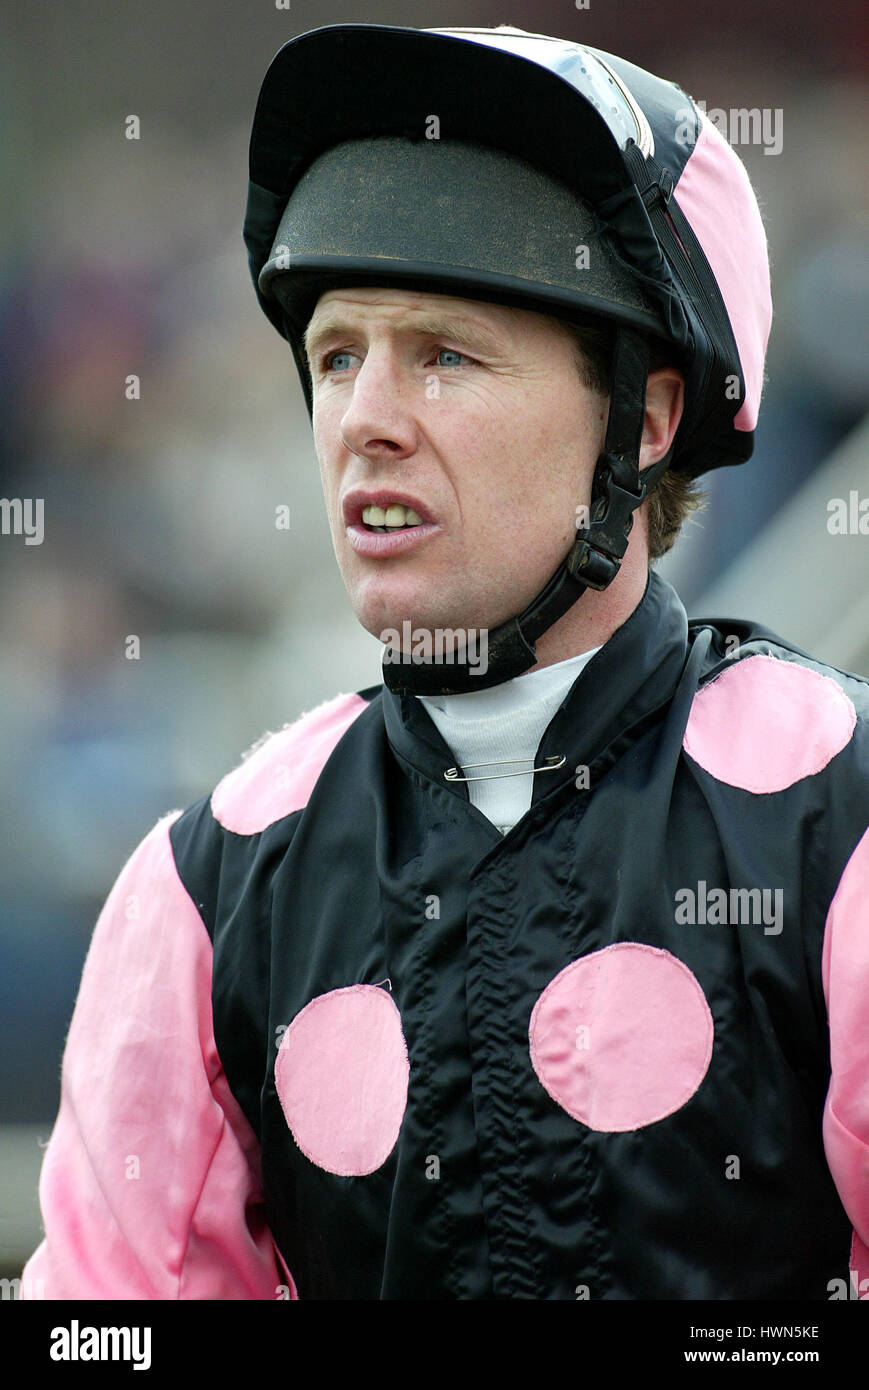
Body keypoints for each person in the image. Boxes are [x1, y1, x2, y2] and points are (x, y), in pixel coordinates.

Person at [22, 22, 869, 1301]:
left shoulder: (841, 821)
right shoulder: (203, 887)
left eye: (445, 356)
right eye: (336, 357)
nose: (363, 421)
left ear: (638, 422)